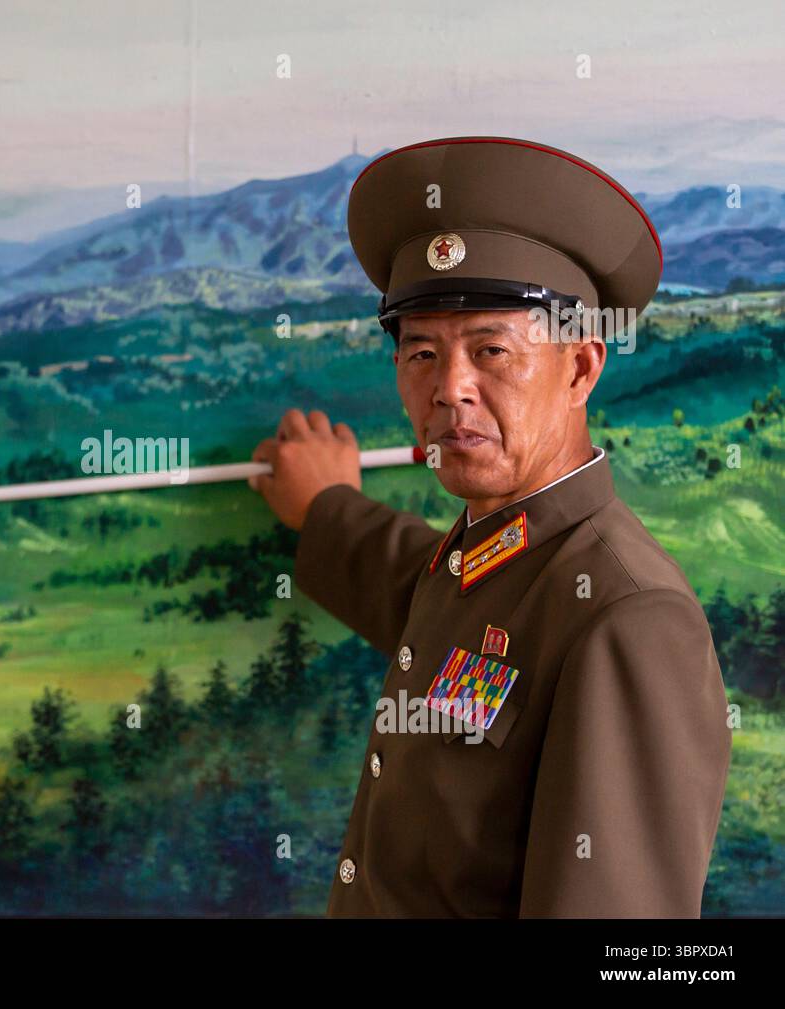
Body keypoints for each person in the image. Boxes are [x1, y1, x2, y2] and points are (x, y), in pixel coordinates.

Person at [249, 136, 731, 917]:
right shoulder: (493, 557)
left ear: (578, 369)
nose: (450, 390)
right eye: (422, 354)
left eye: (492, 350)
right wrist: (325, 507)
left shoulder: (628, 618)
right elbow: (435, 597)